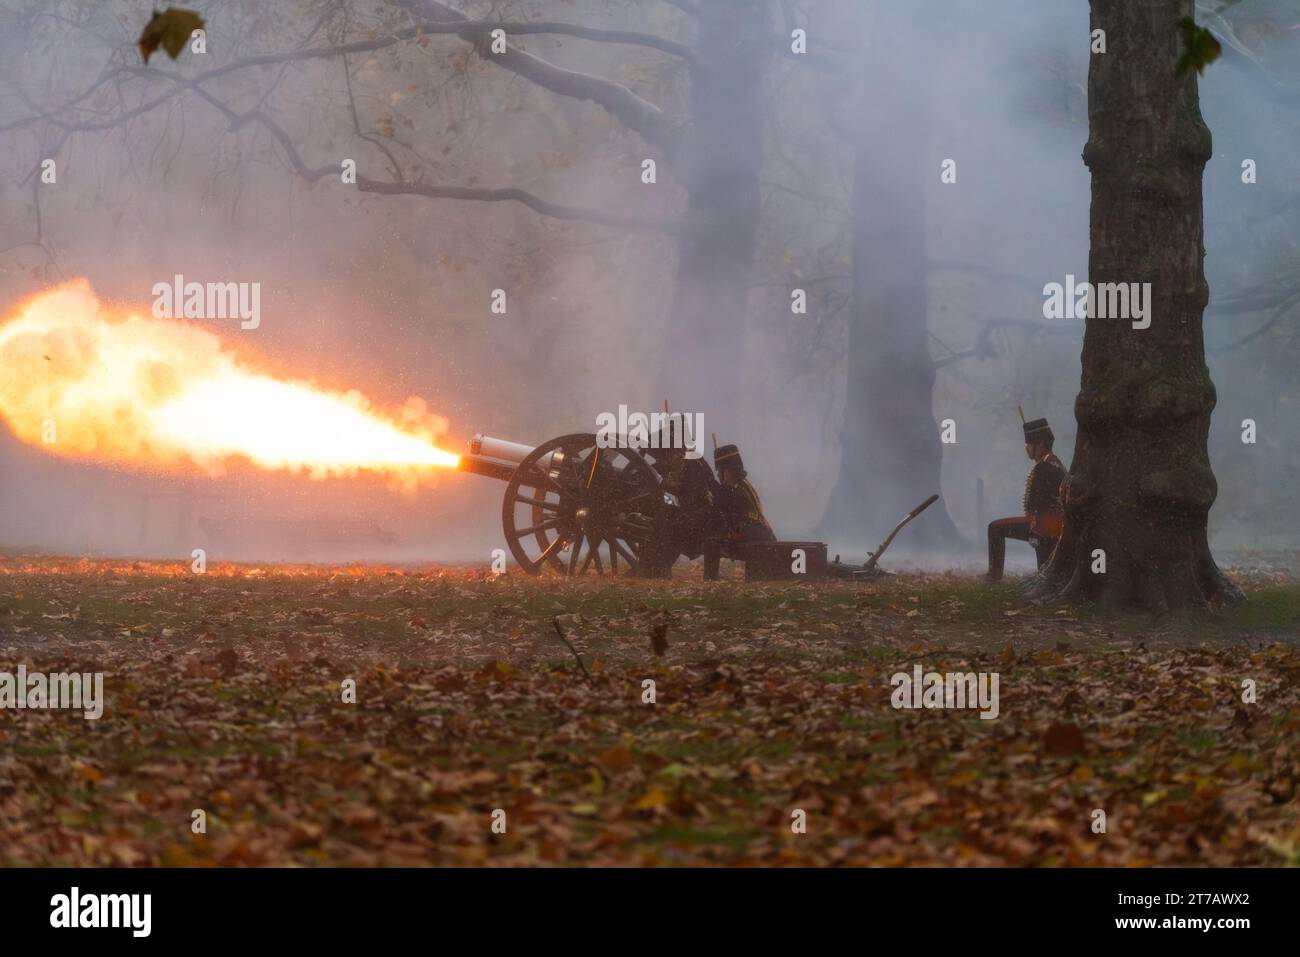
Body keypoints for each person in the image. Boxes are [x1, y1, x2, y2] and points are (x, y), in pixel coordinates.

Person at [986, 417, 1067, 581]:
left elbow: (1038, 503)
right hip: (1046, 523)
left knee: (995, 528)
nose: (1027, 448)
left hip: (1044, 525)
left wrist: (1036, 525)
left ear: (1041, 445)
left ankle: (993, 578)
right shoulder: (1052, 462)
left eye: (1029, 445)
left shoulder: (1045, 467)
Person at [704, 444, 775, 580]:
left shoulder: (733, 490)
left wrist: (707, 475)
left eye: (721, 471)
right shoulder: (744, 486)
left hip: (750, 534)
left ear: (729, 472)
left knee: (711, 542)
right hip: (760, 533)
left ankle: (710, 580)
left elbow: (718, 500)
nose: (719, 474)